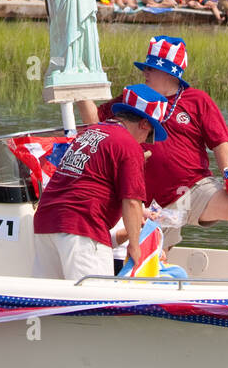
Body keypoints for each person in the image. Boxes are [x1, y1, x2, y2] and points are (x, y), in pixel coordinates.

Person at [79, 36, 228, 279]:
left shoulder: (197, 100)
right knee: (144, 273)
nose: (145, 72)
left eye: (151, 68)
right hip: (150, 205)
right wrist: (79, 89)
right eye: (146, 67)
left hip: (193, 190)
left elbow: (220, 144)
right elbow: (94, 122)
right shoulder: (134, 98)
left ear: (170, 73)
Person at [33, 84, 168, 282]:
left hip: (46, 222)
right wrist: (134, 246)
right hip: (81, 227)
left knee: (47, 302)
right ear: (145, 124)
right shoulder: (129, 146)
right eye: (150, 134)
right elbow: (131, 202)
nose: (145, 141)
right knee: (95, 303)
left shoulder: (89, 132)